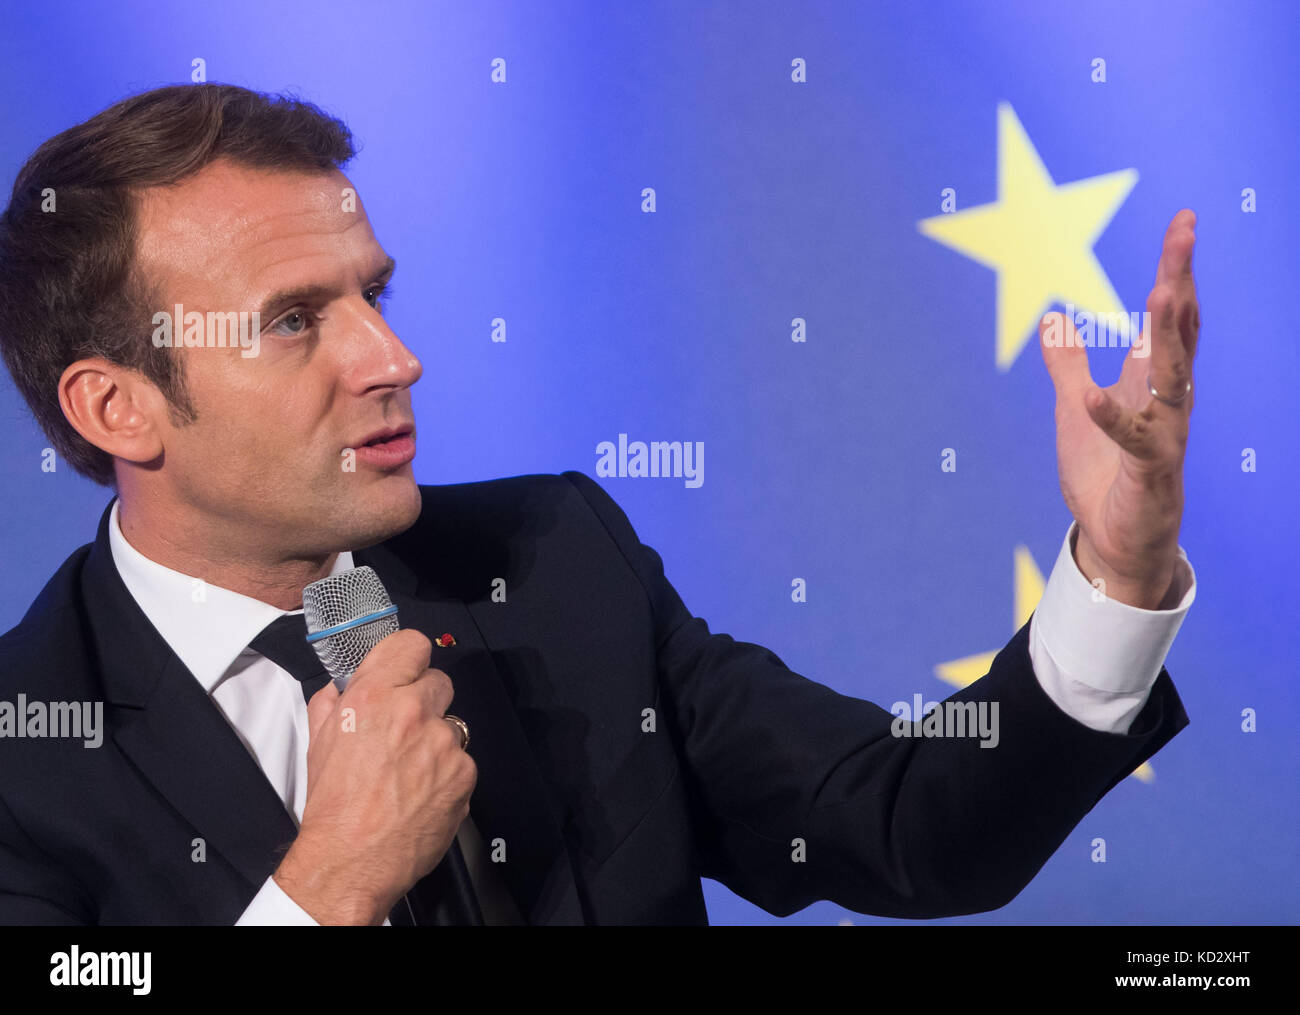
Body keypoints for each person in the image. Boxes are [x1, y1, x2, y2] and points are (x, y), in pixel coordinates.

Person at [0, 84, 1199, 925]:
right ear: (118, 410)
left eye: (376, 293)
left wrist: (1116, 572)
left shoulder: (555, 560)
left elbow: (911, 826)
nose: (393, 357)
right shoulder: (25, 752)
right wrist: (329, 888)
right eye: (295, 320)